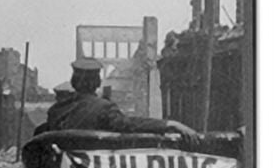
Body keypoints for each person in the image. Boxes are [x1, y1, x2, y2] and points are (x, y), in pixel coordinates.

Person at [37, 58, 197, 137]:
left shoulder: (56, 110)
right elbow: (131, 124)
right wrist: (169, 124)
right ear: (97, 82)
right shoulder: (104, 108)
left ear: (74, 81)